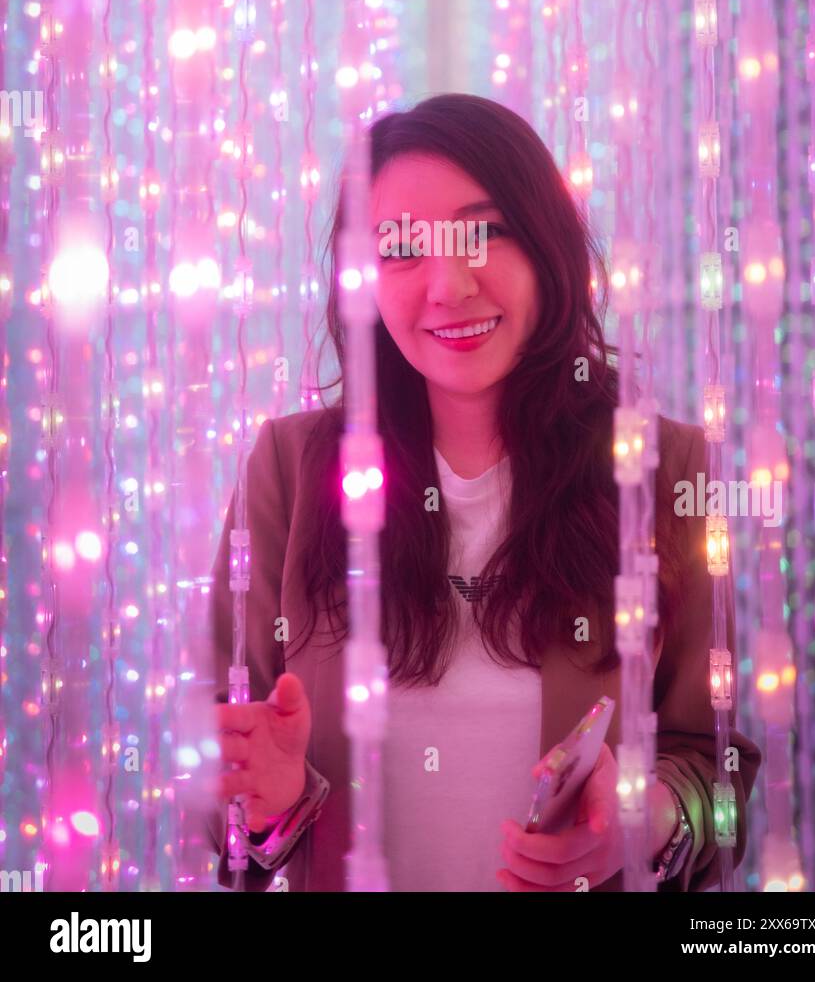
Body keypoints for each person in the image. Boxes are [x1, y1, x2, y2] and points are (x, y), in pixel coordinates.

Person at [208, 92, 761, 892]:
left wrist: (651, 814)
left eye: (483, 232)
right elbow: (217, 774)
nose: (449, 286)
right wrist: (271, 797)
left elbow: (720, 772)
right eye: (401, 248)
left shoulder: (665, 468)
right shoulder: (288, 469)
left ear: (546, 245)